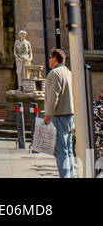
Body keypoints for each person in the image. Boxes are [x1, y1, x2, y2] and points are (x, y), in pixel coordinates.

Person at [43, 48, 75, 178]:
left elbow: (53, 96)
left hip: (59, 115)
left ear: (55, 59)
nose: (49, 60)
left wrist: (47, 115)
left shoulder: (54, 73)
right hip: (70, 115)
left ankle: (65, 176)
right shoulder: (68, 72)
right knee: (68, 150)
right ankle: (70, 175)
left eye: (50, 57)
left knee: (60, 151)